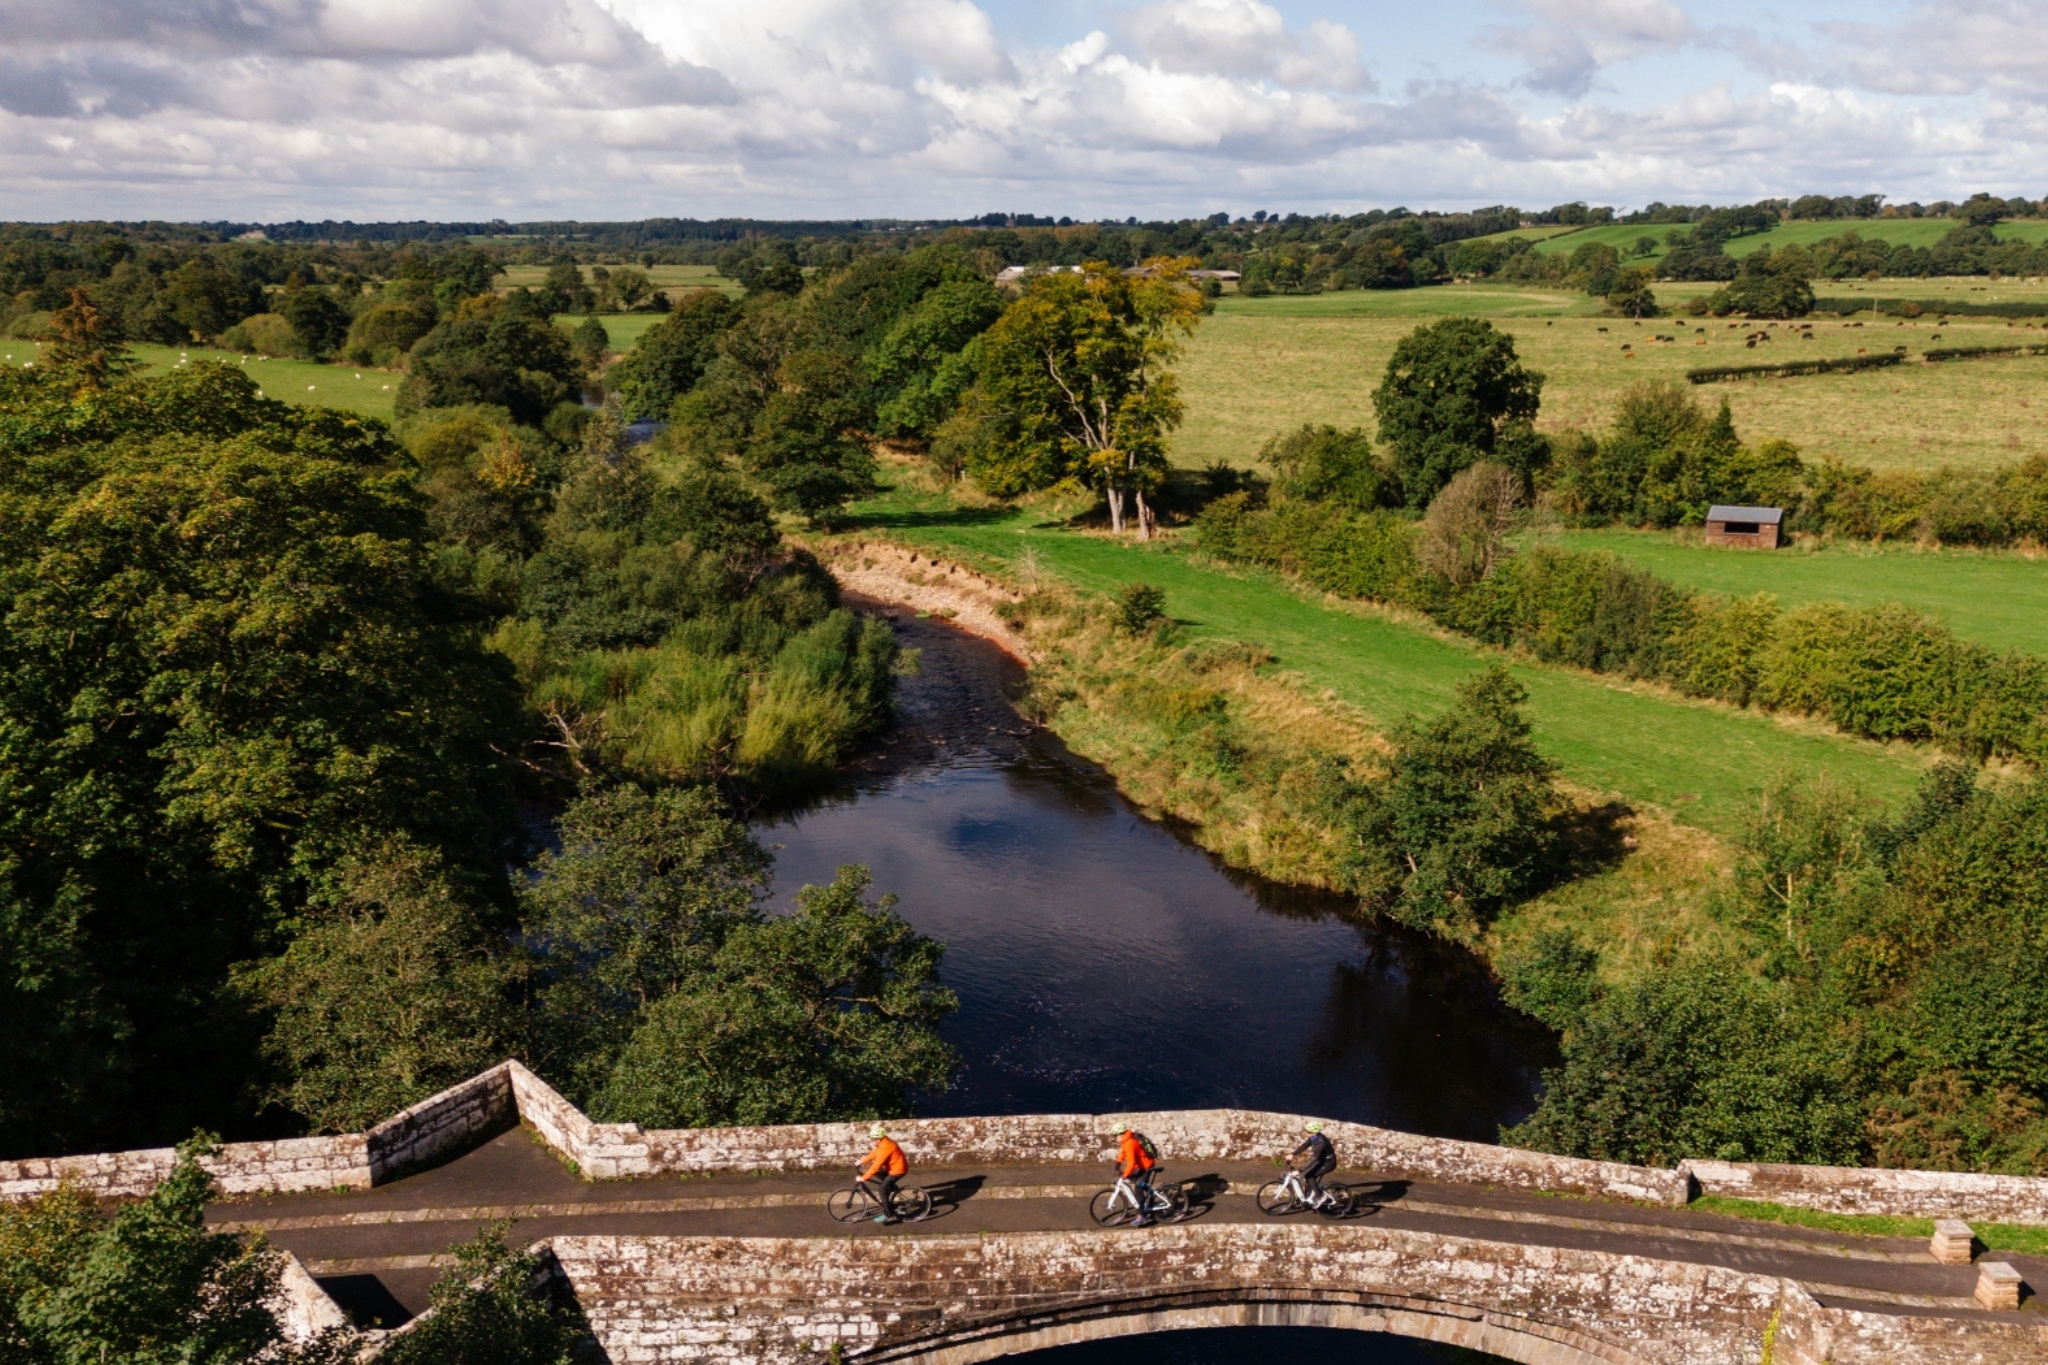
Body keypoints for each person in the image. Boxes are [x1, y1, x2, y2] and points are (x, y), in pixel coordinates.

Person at [858, 1125, 908, 1224]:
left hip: (898, 1171)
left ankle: (888, 1215)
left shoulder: (886, 1147)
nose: (871, 1141)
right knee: (877, 1173)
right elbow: (875, 1152)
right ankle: (891, 1187)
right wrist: (862, 1161)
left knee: (881, 1189)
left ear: (878, 1140)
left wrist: (864, 1178)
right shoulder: (883, 1143)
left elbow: (877, 1165)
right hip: (892, 1168)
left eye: (872, 1139)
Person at [1116, 1126, 1159, 1226]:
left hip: (1146, 1166)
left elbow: (1131, 1163)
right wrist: (1118, 1162)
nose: (1115, 1138)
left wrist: (1125, 1175)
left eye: (1116, 1136)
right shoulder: (1126, 1141)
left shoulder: (1129, 1143)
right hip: (1141, 1166)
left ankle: (1143, 1216)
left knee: (1138, 1189)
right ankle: (1148, 1193)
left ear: (1121, 1135)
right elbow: (1123, 1152)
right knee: (1135, 1181)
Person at [1292, 1120, 1336, 1204]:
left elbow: (1314, 1159)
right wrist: (1293, 1154)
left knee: (1309, 1176)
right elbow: (1305, 1145)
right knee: (1310, 1179)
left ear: (1314, 1133)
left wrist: (1300, 1170)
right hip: (1322, 1160)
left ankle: (1320, 1197)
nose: (1306, 1133)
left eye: (1308, 1132)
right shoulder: (1314, 1137)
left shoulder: (1321, 1143)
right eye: (1306, 1131)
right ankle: (1308, 1197)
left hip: (1328, 1163)